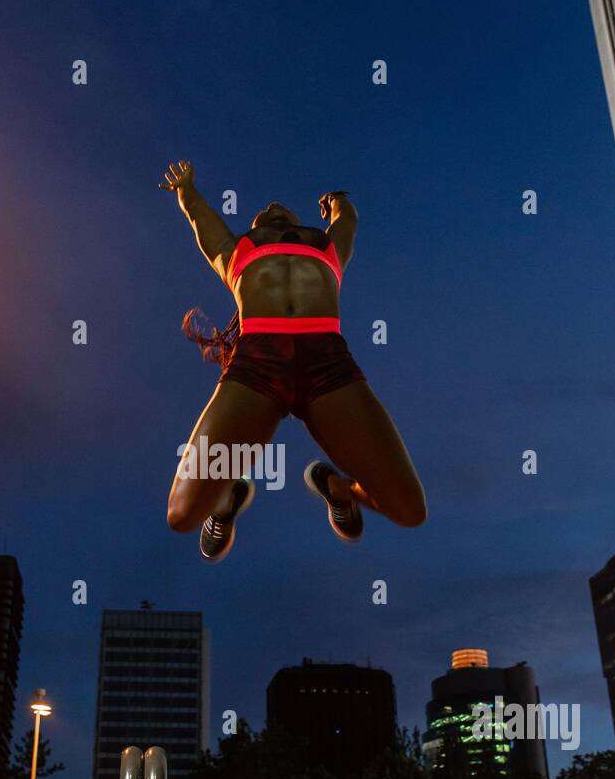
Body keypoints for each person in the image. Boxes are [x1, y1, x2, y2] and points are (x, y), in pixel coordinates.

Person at [161, 160, 426, 561]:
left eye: (280, 207)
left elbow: (348, 219)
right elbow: (201, 219)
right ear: (253, 227)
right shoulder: (237, 252)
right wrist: (186, 191)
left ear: (305, 223)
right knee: (181, 515)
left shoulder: (327, 249)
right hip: (257, 365)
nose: (271, 205)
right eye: (262, 211)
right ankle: (224, 498)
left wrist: (337, 200)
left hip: (328, 366)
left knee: (409, 511)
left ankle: (337, 490)